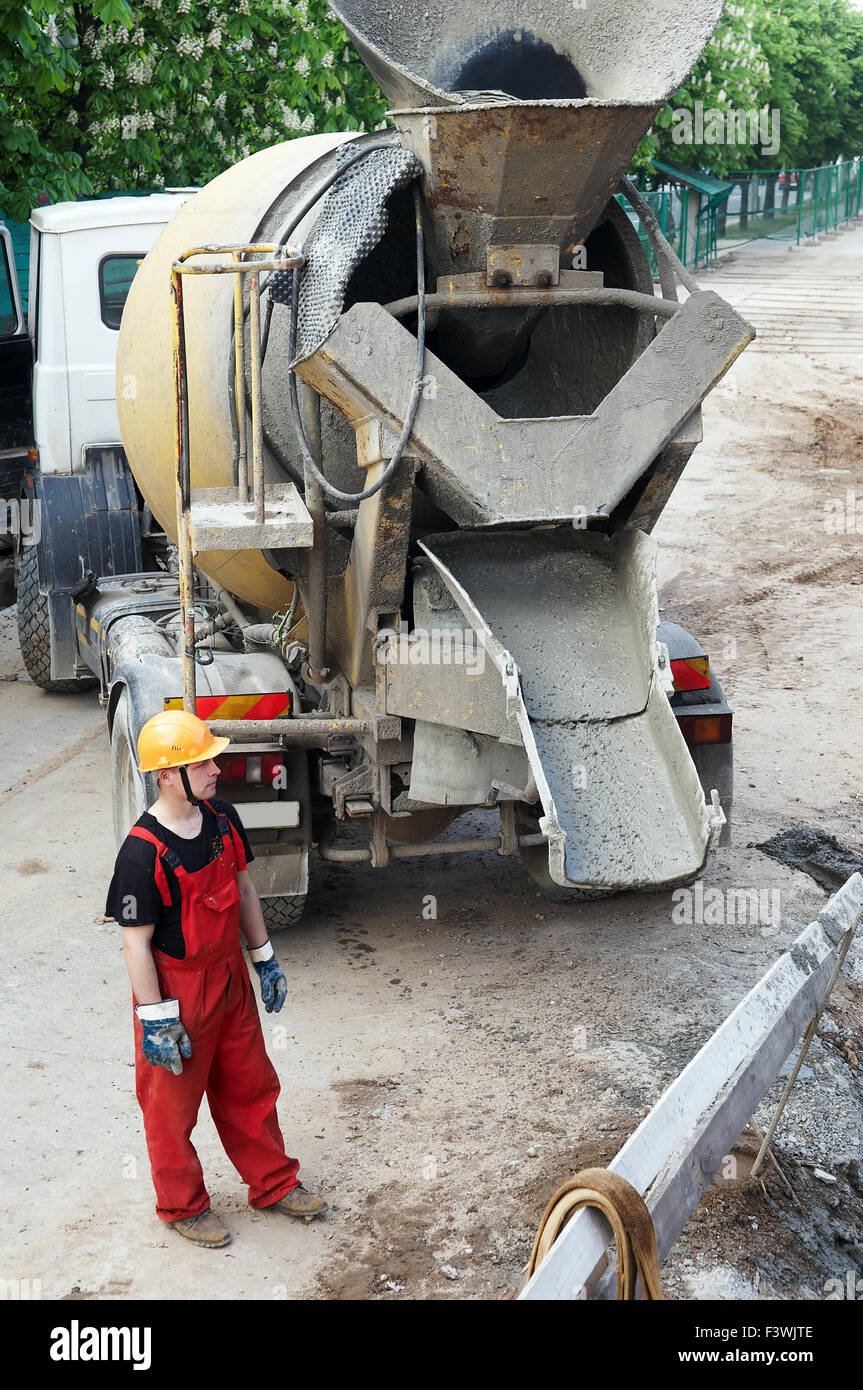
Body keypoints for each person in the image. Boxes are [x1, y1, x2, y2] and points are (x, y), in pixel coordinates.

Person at [106, 708, 326, 1248]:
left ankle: (274, 1184)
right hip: (177, 995)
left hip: (229, 981)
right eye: (202, 761)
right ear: (167, 774)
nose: (216, 767)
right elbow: (135, 943)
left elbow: (246, 891)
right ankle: (182, 1206)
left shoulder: (223, 818)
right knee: (170, 1107)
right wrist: (156, 1020)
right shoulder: (140, 853)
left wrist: (264, 958)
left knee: (252, 1085)